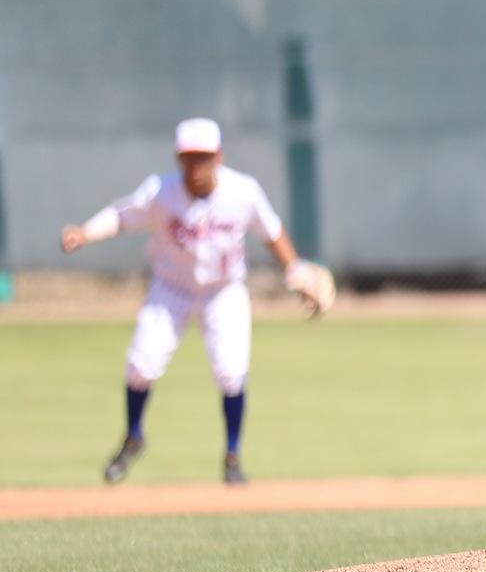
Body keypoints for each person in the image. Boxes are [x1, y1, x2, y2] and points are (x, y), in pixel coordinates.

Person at [58, 118, 329, 485]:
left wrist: (295, 270)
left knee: (231, 373)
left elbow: (272, 231)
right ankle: (134, 436)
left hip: (224, 292)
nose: (196, 165)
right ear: (178, 157)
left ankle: (232, 457)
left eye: (203, 156)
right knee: (140, 365)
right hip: (170, 288)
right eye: (189, 157)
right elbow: (122, 216)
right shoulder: (161, 192)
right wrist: (85, 232)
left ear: (219, 156)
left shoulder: (243, 191)